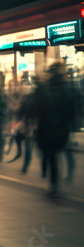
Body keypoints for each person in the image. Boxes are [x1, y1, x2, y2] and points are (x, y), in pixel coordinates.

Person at [35, 62, 75, 196]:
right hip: (62, 128)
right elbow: (71, 110)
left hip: (47, 128)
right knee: (58, 153)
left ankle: (53, 182)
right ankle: (60, 179)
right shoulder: (66, 89)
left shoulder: (44, 90)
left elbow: (39, 110)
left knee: (50, 155)